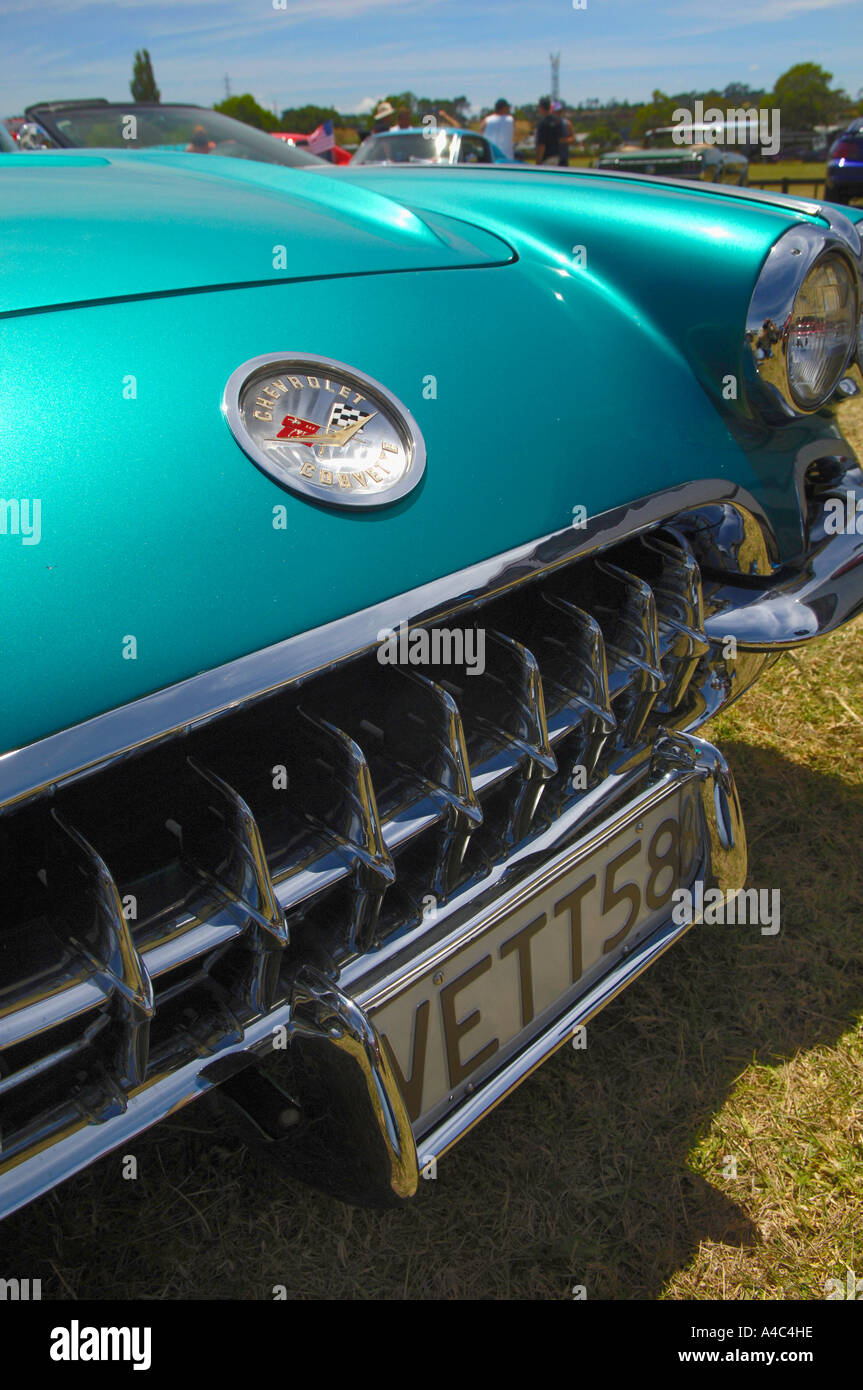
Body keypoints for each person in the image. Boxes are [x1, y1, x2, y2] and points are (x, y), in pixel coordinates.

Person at [534, 96, 563, 166]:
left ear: (541, 108)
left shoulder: (543, 123)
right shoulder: (558, 121)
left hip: (546, 158)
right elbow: (561, 139)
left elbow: (541, 144)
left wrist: (538, 161)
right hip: (556, 156)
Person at [553, 101, 574, 167]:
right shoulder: (548, 124)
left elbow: (573, 139)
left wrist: (562, 140)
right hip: (550, 157)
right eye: (556, 111)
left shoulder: (567, 124)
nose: (558, 113)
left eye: (559, 111)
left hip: (562, 158)